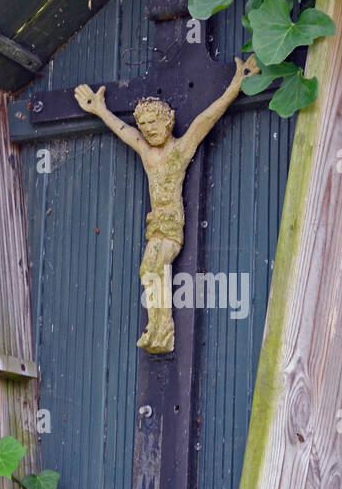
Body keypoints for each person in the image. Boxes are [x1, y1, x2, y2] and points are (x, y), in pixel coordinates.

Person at [74, 54, 259, 352]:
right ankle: (157, 329)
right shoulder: (147, 152)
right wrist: (100, 110)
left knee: (154, 267)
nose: (147, 129)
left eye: (153, 123)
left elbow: (205, 119)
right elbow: (124, 131)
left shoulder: (179, 150)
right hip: (155, 225)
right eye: (143, 124)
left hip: (171, 225)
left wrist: (236, 85)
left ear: (169, 120)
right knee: (149, 271)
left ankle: (163, 331)